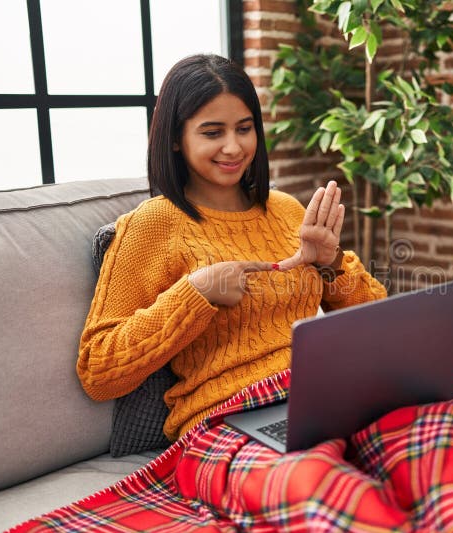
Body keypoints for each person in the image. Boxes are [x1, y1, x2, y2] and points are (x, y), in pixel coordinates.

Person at [77, 54, 387, 442]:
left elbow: (381, 324)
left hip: (322, 395)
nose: (233, 147)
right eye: (212, 132)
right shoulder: (153, 224)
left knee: (440, 436)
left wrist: (330, 262)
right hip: (226, 423)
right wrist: (196, 293)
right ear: (175, 138)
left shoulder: (287, 209)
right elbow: (99, 371)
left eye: (244, 128)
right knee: (322, 479)